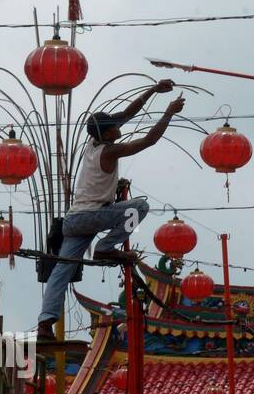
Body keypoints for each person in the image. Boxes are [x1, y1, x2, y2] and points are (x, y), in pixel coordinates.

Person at [36, 81, 185, 340]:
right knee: (140, 207)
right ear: (106, 134)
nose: (120, 127)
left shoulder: (93, 144)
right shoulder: (110, 150)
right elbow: (149, 140)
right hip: (91, 216)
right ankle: (106, 246)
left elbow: (128, 112)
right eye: (115, 127)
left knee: (62, 270)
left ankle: (45, 323)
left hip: (73, 220)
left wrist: (151, 90)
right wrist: (169, 112)